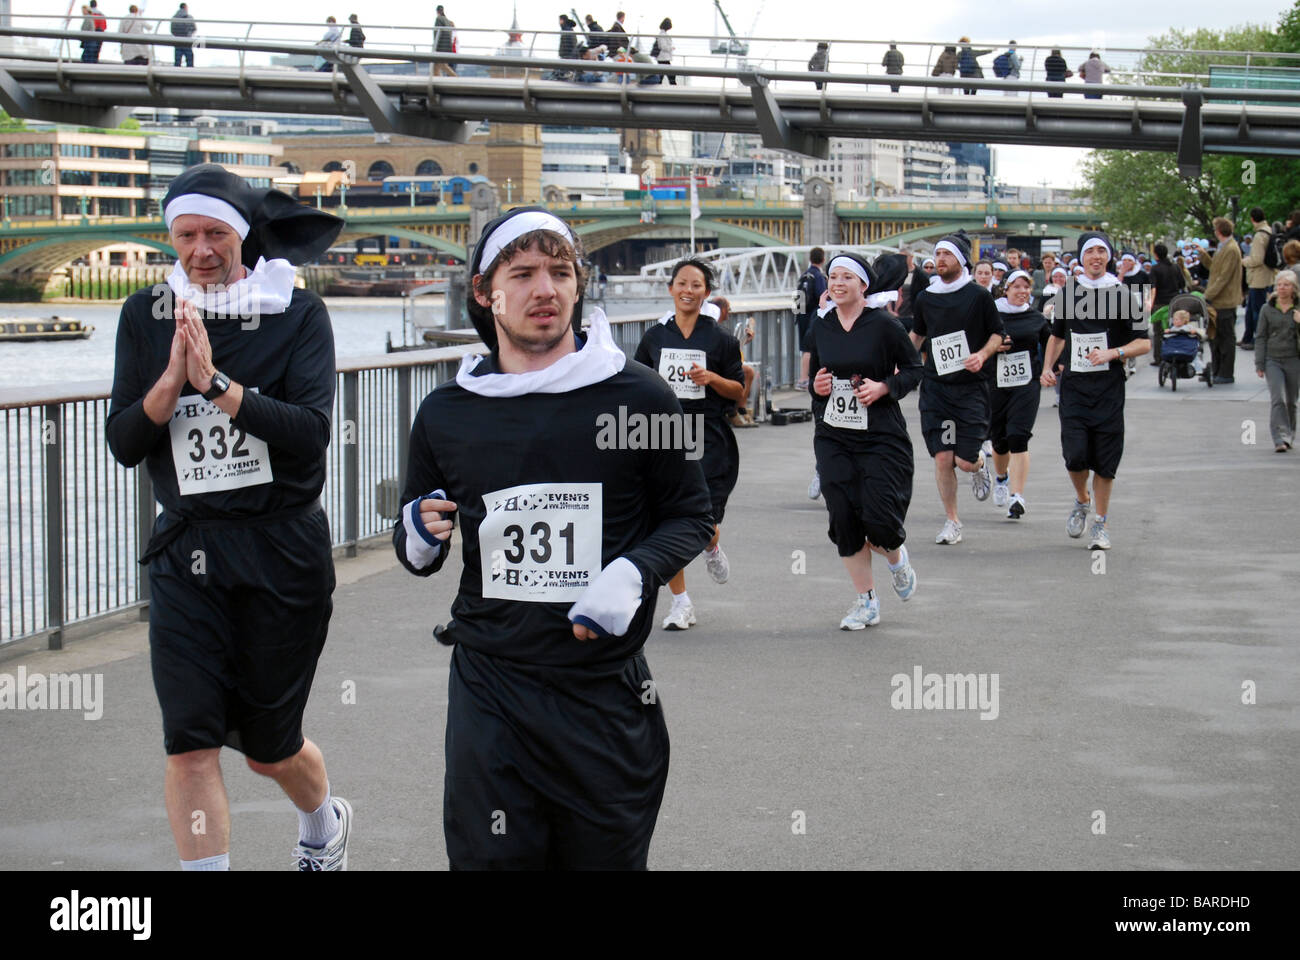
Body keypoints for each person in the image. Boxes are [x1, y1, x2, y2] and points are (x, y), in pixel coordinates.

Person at [393, 207, 713, 869]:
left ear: (578, 284)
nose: (546, 289)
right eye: (525, 273)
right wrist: (417, 533)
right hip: (491, 688)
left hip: (602, 697)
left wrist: (632, 573)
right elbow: (418, 536)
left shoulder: (639, 396)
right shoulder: (448, 411)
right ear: (486, 293)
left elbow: (689, 516)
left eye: (561, 273)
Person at [105, 164, 350, 871]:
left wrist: (217, 386)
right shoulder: (145, 316)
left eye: (216, 232)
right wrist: (171, 382)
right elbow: (125, 442)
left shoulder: (299, 314)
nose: (201, 250)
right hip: (187, 552)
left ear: (244, 234)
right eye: (186, 234)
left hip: (281, 549)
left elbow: (309, 431)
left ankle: (323, 824)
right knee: (188, 742)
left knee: (270, 751)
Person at [806, 252, 922, 630]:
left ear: (863, 285)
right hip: (833, 433)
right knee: (843, 515)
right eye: (833, 277)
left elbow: (915, 369)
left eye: (846, 278)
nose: (837, 283)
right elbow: (815, 378)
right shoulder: (822, 323)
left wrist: (885, 386)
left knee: (880, 520)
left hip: (879, 434)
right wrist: (817, 386)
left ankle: (897, 559)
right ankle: (866, 601)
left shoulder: (885, 325)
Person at [634, 259, 745, 630]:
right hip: (664, 435)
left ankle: (711, 544)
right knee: (669, 521)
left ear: (706, 293)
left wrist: (712, 377)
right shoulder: (655, 338)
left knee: (705, 519)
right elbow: (639, 384)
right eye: (681, 283)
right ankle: (681, 603)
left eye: (696, 285)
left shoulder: (721, 340)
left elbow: (738, 390)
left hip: (709, 434)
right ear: (671, 289)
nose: (688, 290)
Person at [1040, 231, 1149, 550]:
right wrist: (1047, 367)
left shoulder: (1127, 295)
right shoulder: (1067, 294)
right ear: (1082, 258)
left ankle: (1100, 524)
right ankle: (1081, 499)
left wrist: (1113, 353)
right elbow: (1057, 336)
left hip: (1109, 388)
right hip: (1073, 387)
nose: (1097, 256)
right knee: (1075, 455)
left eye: (1103, 251)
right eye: (1091, 252)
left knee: (1105, 460)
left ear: (1109, 257)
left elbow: (1144, 343)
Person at [909, 232, 1005, 545]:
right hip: (937, 387)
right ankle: (952, 521)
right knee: (942, 457)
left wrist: (981, 354)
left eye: (947, 255)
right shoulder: (926, 297)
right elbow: (918, 336)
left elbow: (997, 335)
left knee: (963, 460)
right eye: (937, 255)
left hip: (970, 389)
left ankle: (978, 466)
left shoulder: (978, 296)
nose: (940, 260)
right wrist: (899, 362)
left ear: (961, 260)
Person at [988, 271, 1049, 519]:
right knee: (999, 439)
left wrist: (1052, 368)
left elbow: (1053, 341)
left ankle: (1017, 495)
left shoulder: (1036, 318)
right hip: (995, 381)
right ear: (1006, 289)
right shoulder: (991, 314)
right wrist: (994, 346)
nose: (1022, 291)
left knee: (1018, 436)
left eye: (1026, 287)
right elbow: (974, 340)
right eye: (1017, 286)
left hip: (1026, 383)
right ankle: (1002, 479)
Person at [1255, 269, 1300, 451]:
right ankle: (1279, 438)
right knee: (1277, 399)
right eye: (1279, 285)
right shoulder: (1267, 308)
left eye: (1286, 285)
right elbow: (1261, 336)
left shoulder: (1298, 308)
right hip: (1272, 358)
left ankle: (1289, 434)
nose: (1282, 288)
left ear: (1294, 289)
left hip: (1294, 358)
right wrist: (1259, 362)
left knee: (1291, 401)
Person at [1203, 217, 1243, 384]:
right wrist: (1202, 255)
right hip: (1219, 301)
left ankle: (1226, 373)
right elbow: (1215, 269)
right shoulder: (1224, 247)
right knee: (1216, 338)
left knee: (1226, 338)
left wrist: (1208, 295)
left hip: (1224, 301)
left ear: (1219, 231)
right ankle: (1218, 370)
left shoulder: (1231, 249)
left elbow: (1223, 277)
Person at [1241, 207, 1276, 349]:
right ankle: (1248, 337)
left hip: (1258, 278)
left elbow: (1257, 259)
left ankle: (1256, 340)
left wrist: (1244, 261)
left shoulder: (1259, 235)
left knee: (1257, 312)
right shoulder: (1268, 231)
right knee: (1251, 310)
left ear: (1252, 219)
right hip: (1266, 275)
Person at [1145, 243, 1183, 365]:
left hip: (1160, 304)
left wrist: (1149, 304)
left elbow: (1153, 288)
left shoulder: (1155, 269)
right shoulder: (1176, 267)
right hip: (1175, 303)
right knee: (1174, 329)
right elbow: (1182, 284)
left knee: (1159, 333)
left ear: (1155, 255)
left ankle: (1159, 358)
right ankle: (1176, 353)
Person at [796, 246, 828, 390]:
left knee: (804, 348)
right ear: (823, 259)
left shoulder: (804, 275)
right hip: (812, 316)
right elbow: (822, 296)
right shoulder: (818, 276)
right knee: (809, 348)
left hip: (801, 315)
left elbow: (797, 299)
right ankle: (804, 379)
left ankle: (803, 378)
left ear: (810, 259)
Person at [170, 3, 196, 67]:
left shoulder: (174, 17)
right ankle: (190, 75)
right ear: (185, 7)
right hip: (186, 41)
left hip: (177, 41)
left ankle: (176, 75)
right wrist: (188, 34)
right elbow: (194, 28)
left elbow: (172, 30)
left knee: (177, 61)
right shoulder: (189, 17)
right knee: (190, 60)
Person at [434, 4, 456, 76]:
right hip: (447, 47)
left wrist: (435, 47)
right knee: (437, 66)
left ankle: (455, 77)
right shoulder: (448, 21)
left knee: (440, 65)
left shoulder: (438, 19)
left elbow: (437, 33)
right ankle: (436, 82)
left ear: (437, 11)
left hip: (440, 47)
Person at [654, 18, 675, 85]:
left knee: (662, 75)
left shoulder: (662, 33)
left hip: (663, 58)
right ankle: (674, 88)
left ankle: (657, 87)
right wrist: (671, 48)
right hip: (663, 58)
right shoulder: (662, 34)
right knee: (671, 75)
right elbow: (663, 46)